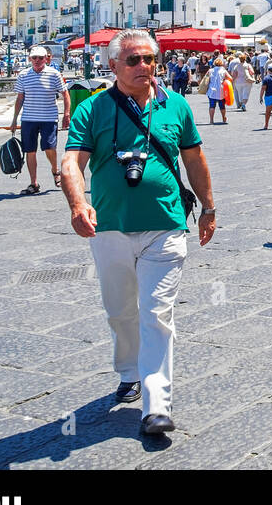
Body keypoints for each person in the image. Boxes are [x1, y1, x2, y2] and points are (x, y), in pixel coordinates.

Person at [60, 29, 215, 436]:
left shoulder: (176, 105)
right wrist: (78, 203)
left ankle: (157, 403)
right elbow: (71, 162)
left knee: (157, 311)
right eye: (133, 60)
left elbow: (195, 160)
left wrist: (209, 208)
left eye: (149, 59)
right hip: (109, 228)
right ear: (113, 65)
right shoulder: (92, 109)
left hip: (165, 225)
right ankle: (129, 370)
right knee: (120, 311)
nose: (144, 66)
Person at [10, 46, 71, 195]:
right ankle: (33, 183)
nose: (37, 61)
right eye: (34, 58)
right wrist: (14, 119)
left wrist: (67, 114)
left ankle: (55, 170)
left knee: (49, 147)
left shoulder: (54, 74)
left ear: (46, 58)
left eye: (40, 58)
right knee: (30, 151)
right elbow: (20, 98)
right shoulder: (23, 75)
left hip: (48, 118)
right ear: (30, 59)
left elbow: (65, 93)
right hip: (29, 118)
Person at [205, 57, 228, 125]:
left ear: (214, 63)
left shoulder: (210, 70)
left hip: (211, 90)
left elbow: (206, 79)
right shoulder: (223, 70)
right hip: (220, 90)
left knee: (212, 105)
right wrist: (224, 80)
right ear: (221, 64)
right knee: (222, 105)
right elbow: (230, 78)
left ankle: (211, 120)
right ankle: (224, 118)